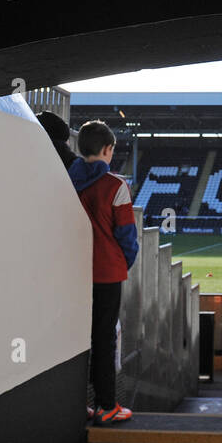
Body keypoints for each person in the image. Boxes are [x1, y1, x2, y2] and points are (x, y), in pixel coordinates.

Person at [68, 120, 140, 425]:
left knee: (73, 337)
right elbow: (127, 237)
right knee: (104, 338)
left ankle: (76, 402)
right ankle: (107, 405)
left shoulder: (65, 182)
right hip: (107, 273)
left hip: (72, 273)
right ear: (108, 149)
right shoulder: (115, 185)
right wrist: (121, 263)